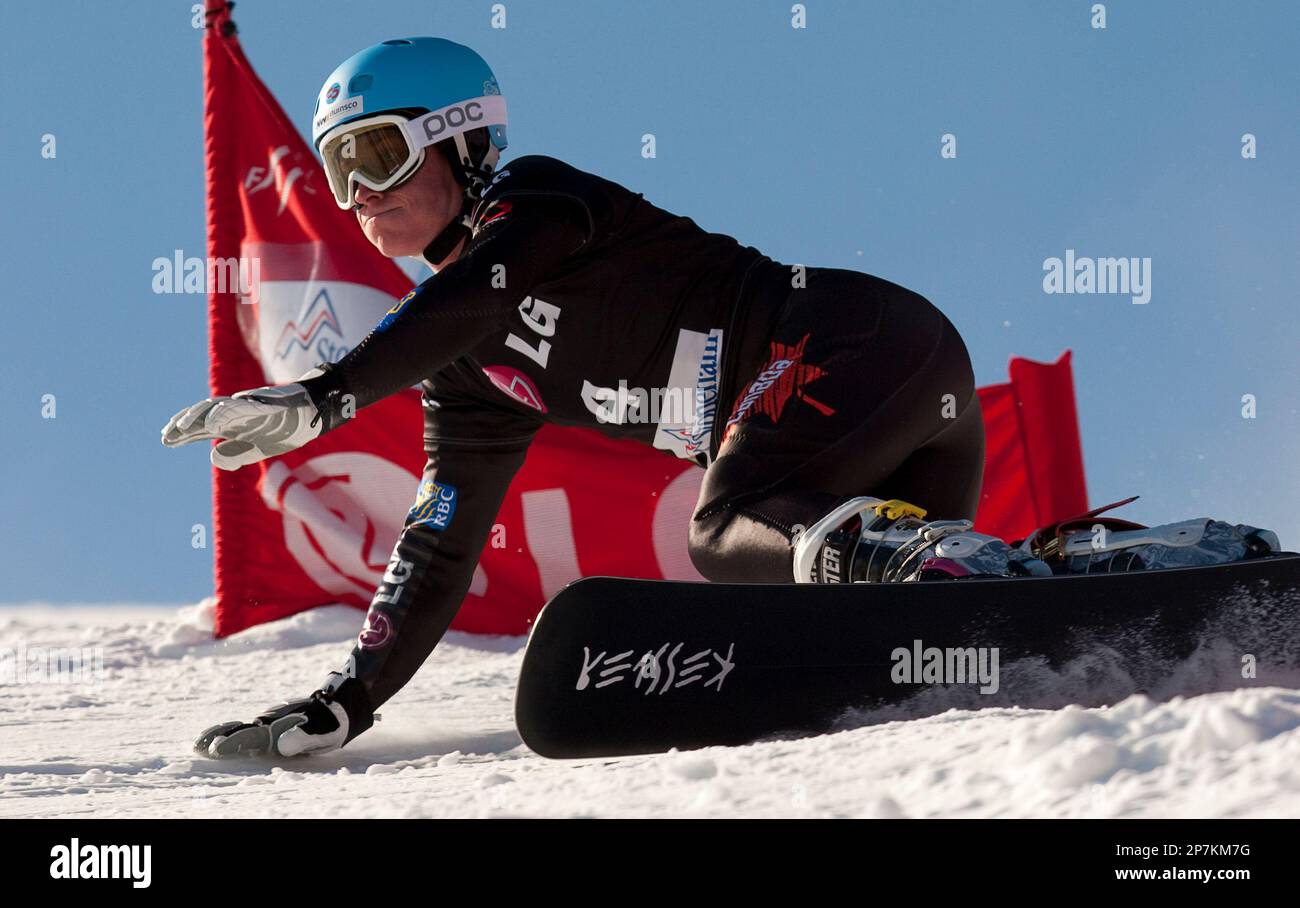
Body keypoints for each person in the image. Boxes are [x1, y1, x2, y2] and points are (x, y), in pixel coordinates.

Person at [163, 37, 1278, 759]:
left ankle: (954, 561)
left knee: (722, 524)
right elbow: (439, 544)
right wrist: (350, 700)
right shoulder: (467, 378)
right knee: (927, 595)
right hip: (878, 415)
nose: (355, 199)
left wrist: (321, 400)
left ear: (461, 141)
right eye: (334, 167)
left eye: (374, 156)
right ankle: (1176, 558)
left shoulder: (537, 206)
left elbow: (476, 292)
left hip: (850, 338)